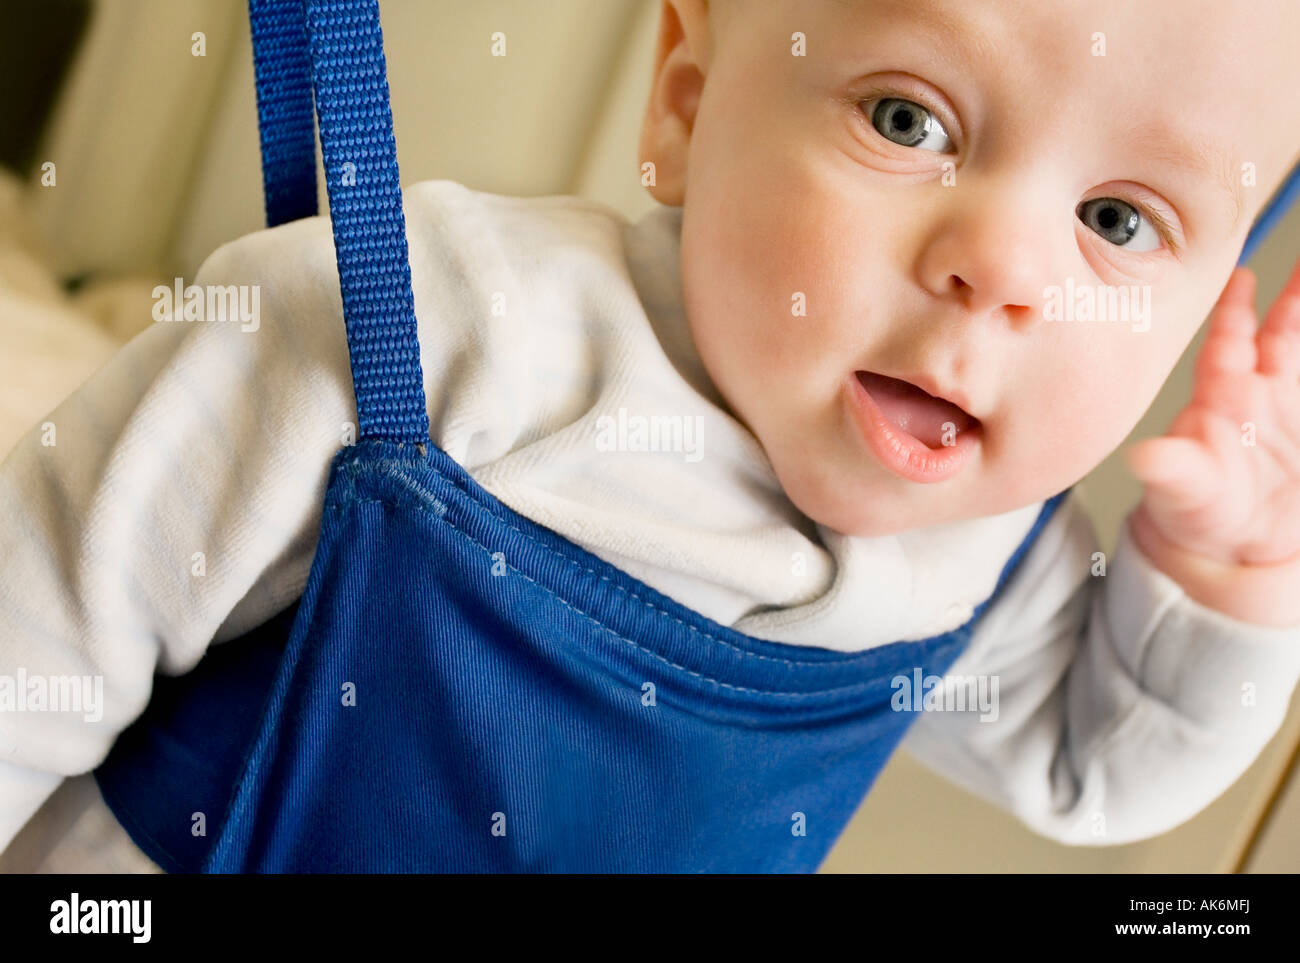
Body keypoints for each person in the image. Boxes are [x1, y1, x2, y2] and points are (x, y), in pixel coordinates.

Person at [4, 0, 1300, 871]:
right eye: (908, 121)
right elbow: (38, 621)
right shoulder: (444, 333)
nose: (1001, 270)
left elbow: (1095, 769)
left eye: (1119, 222)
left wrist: (1222, 583)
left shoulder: (988, 557)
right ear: (685, 97)